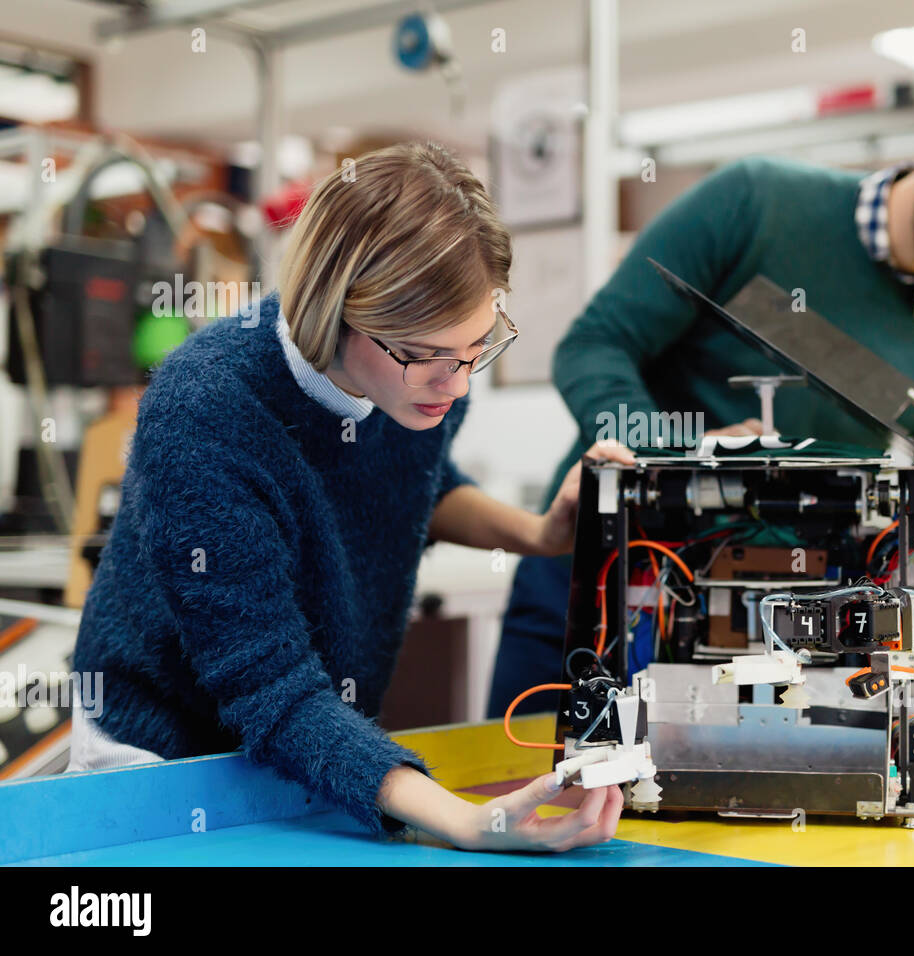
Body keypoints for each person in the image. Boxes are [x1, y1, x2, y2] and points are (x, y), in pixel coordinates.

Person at [489, 72, 914, 717]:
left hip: (772, 634)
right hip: (602, 587)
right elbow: (594, 345)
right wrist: (679, 453)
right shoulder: (756, 203)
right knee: (522, 796)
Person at [69, 141, 634, 853]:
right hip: (162, 751)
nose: (455, 385)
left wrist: (539, 535)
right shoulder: (207, 407)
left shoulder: (422, 386)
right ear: (335, 308)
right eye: (425, 355)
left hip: (310, 744)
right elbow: (271, 687)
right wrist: (462, 820)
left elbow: (418, 486)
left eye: (476, 349)